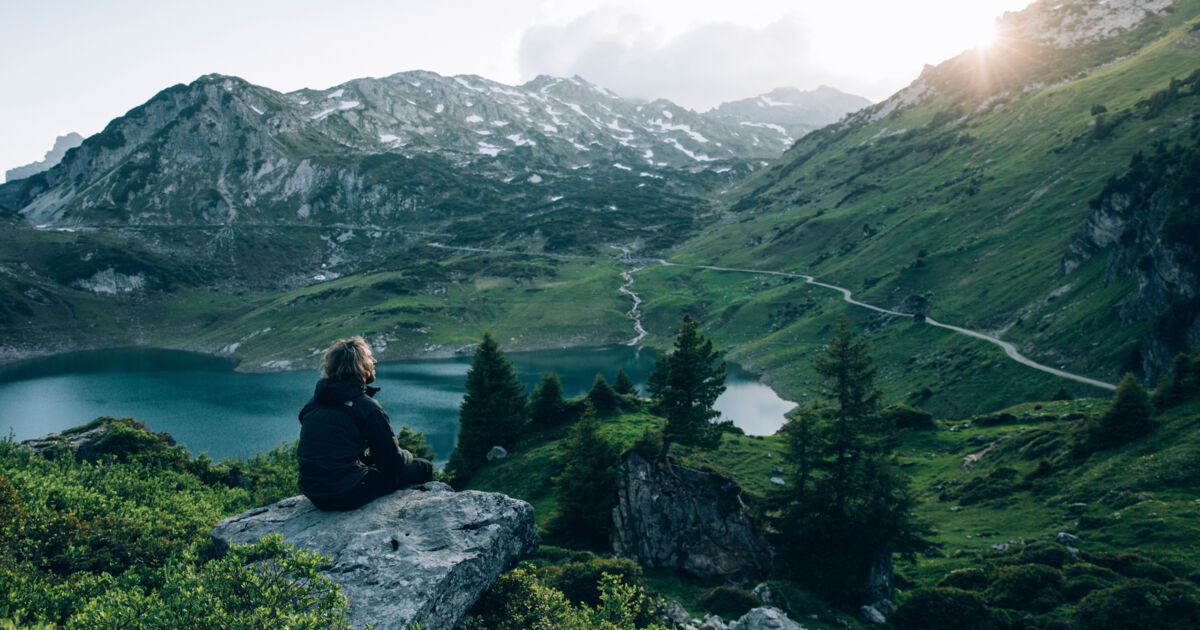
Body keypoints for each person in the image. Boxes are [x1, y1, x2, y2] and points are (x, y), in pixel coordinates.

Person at [298, 336, 434, 510]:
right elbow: (393, 464)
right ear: (358, 366)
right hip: (346, 493)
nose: (375, 361)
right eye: (370, 357)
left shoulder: (314, 402)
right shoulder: (366, 407)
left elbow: (332, 447)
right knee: (423, 467)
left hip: (313, 492)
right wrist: (407, 455)